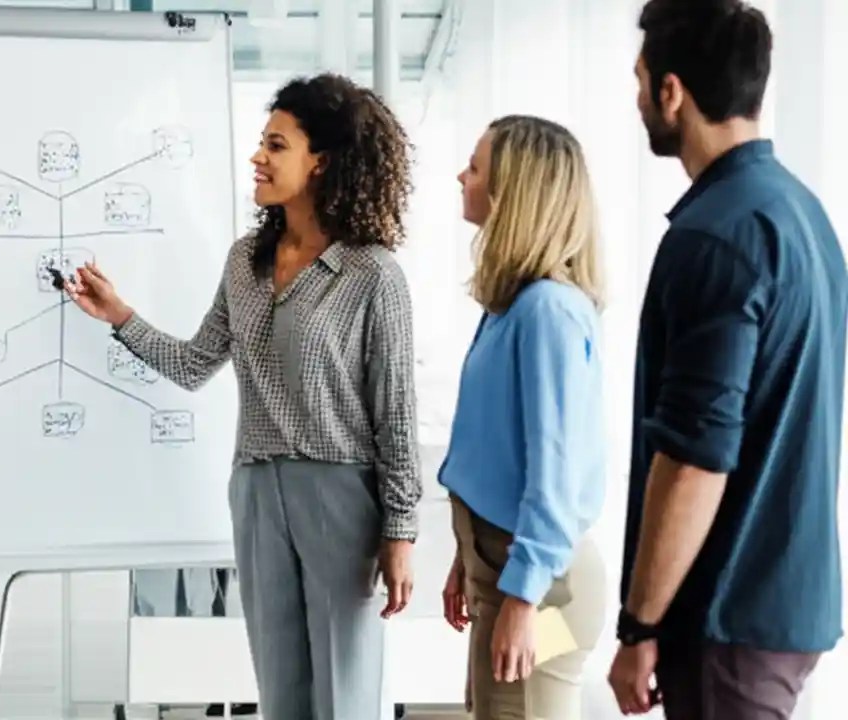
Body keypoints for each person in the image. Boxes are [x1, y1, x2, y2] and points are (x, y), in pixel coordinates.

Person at [65, 72, 422, 720]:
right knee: (280, 693)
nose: (258, 156)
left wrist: (400, 532)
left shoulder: (373, 274)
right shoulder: (245, 261)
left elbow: (395, 414)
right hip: (256, 490)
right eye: (262, 142)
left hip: (340, 495)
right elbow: (197, 362)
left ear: (322, 162)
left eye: (277, 145)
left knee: (345, 692)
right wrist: (121, 317)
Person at [609, 2, 845, 718]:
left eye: (642, 80)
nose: (639, 98)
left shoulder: (717, 235)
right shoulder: (802, 215)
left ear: (672, 92)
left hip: (726, 615)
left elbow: (694, 460)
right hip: (782, 605)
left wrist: (640, 623)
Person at [438, 115, 608, 720]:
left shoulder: (548, 312)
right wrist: (467, 558)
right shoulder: (513, 306)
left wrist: (521, 602)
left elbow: (554, 477)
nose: (462, 176)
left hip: (547, 594)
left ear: (514, 190)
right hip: (512, 579)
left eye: (476, 166)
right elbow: (500, 455)